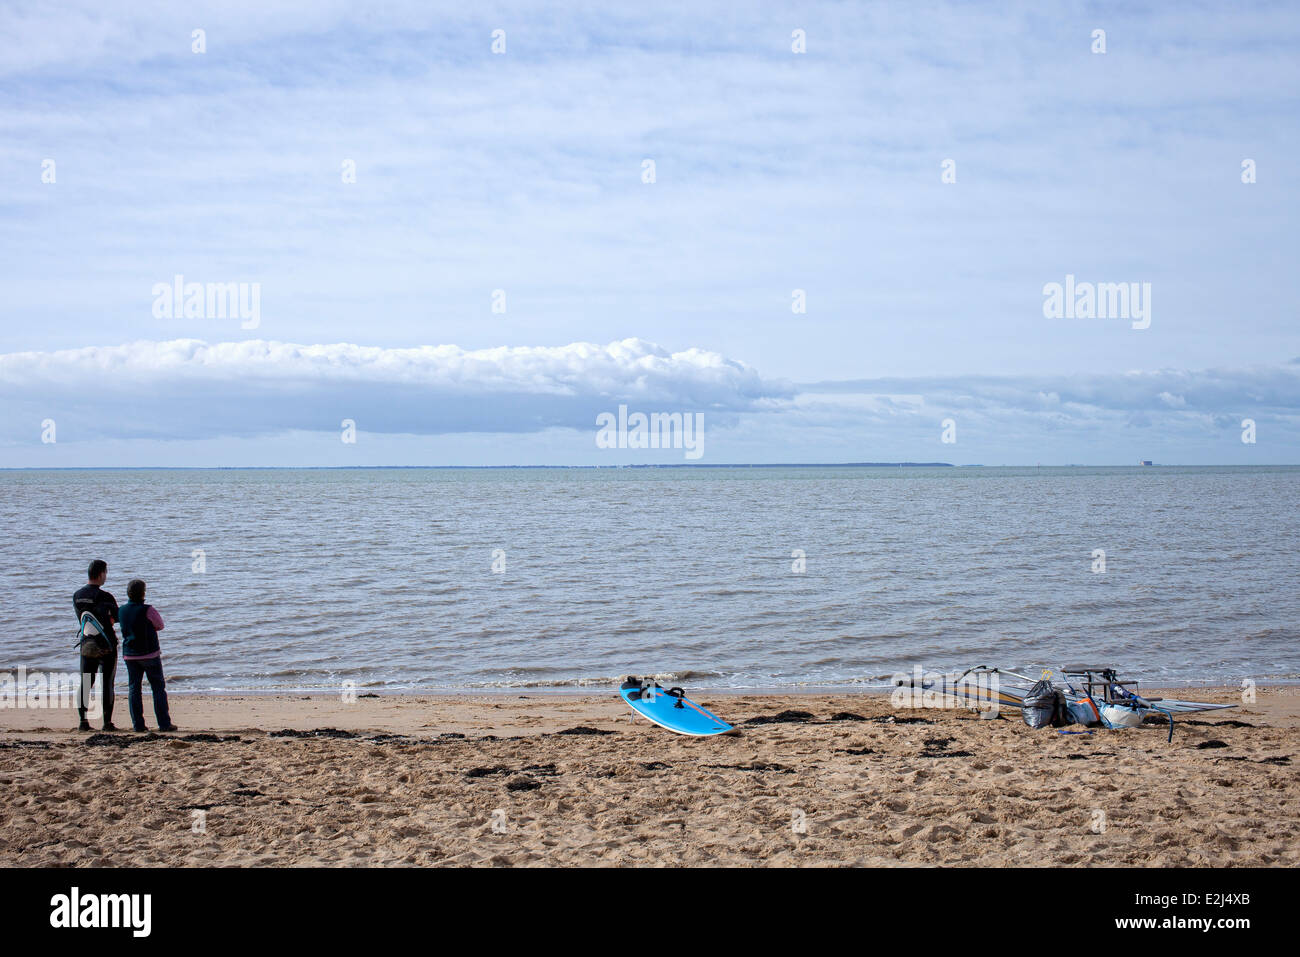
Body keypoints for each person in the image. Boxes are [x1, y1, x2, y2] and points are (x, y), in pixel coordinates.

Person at [118, 579, 176, 733]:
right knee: (157, 688)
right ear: (143, 593)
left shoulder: (121, 610)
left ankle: (138, 725)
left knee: (134, 688)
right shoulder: (148, 610)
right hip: (149, 653)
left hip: (130, 654)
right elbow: (160, 625)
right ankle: (164, 724)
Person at [73, 559, 119, 732]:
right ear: (101, 574)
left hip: (87, 643)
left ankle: (83, 721)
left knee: (86, 682)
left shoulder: (77, 595)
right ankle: (107, 723)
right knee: (107, 682)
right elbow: (117, 617)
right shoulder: (105, 596)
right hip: (106, 643)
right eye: (105, 573)